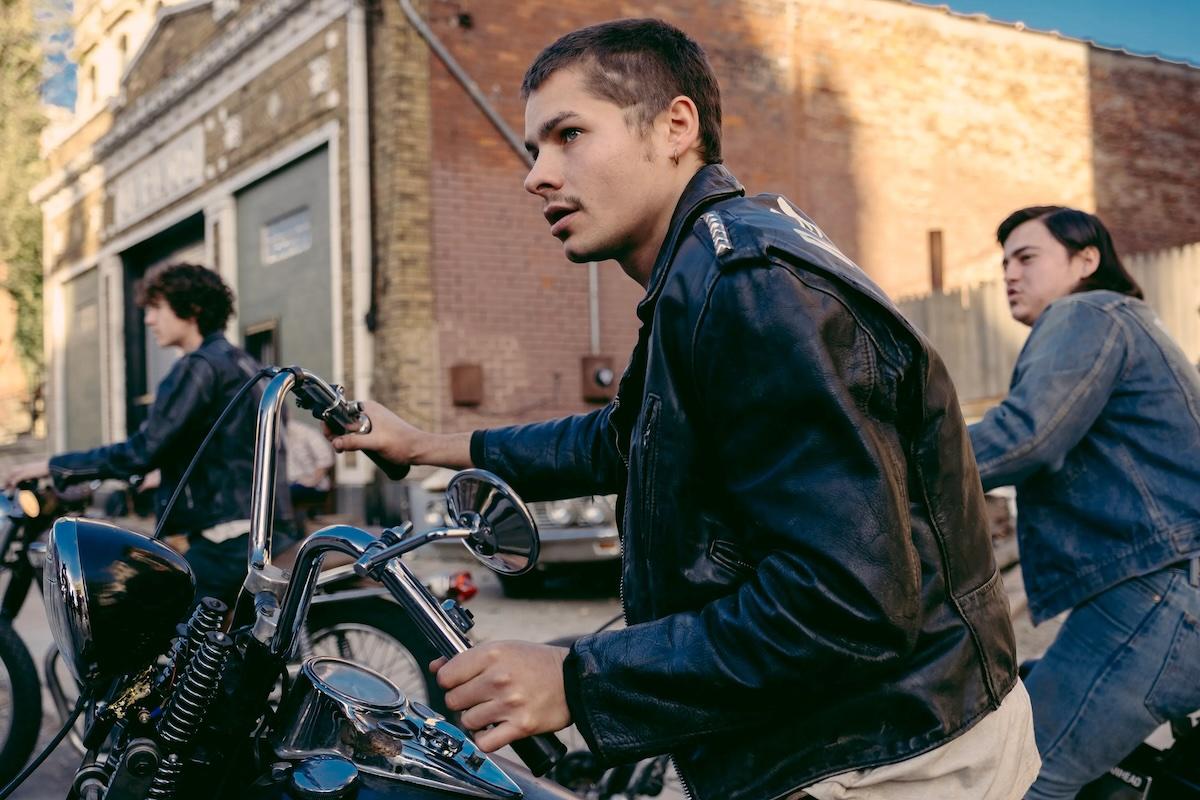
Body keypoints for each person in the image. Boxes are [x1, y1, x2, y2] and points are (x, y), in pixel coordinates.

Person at [332, 19, 1037, 800]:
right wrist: (425, 445)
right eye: (536, 148)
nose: (536, 174)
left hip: (888, 758)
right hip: (849, 733)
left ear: (675, 126)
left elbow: (847, 606)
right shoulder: (703, 270)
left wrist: (577, 679)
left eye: (568, 135)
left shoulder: (748, 286)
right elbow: (625, 440)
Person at [969, 206, 1200, 800]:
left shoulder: (1086, 311)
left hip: (1158, 591)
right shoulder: (1121, 322)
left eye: (1026, 258)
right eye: (1003, 265)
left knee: (1022, 775)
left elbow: (1028, 436)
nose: (1009, 276)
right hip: (1164, 588)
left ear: (1085, 260)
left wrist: (892, 470)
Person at [3, 262, 293, 606]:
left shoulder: (198, 367)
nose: (148, 319)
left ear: (191, 308)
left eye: (157, 308)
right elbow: (230, 445)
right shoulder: (243, 362)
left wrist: (53, 465)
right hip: (265, 526)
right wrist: (167, 473)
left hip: (228, 537)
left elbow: (140, 451)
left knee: (147, 614)